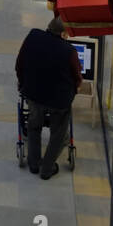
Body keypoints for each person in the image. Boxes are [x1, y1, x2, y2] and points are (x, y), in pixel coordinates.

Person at [15, 16, 82, 178]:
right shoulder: (69, 51)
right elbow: (77, 77)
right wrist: (76, 88)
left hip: (33, 93)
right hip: (58, 101)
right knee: (59, 133)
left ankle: (33, 164)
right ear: (64, 34)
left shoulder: (33, 36)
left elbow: (19, 64)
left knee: (34, 125)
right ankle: (46, 168)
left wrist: (22, 82)